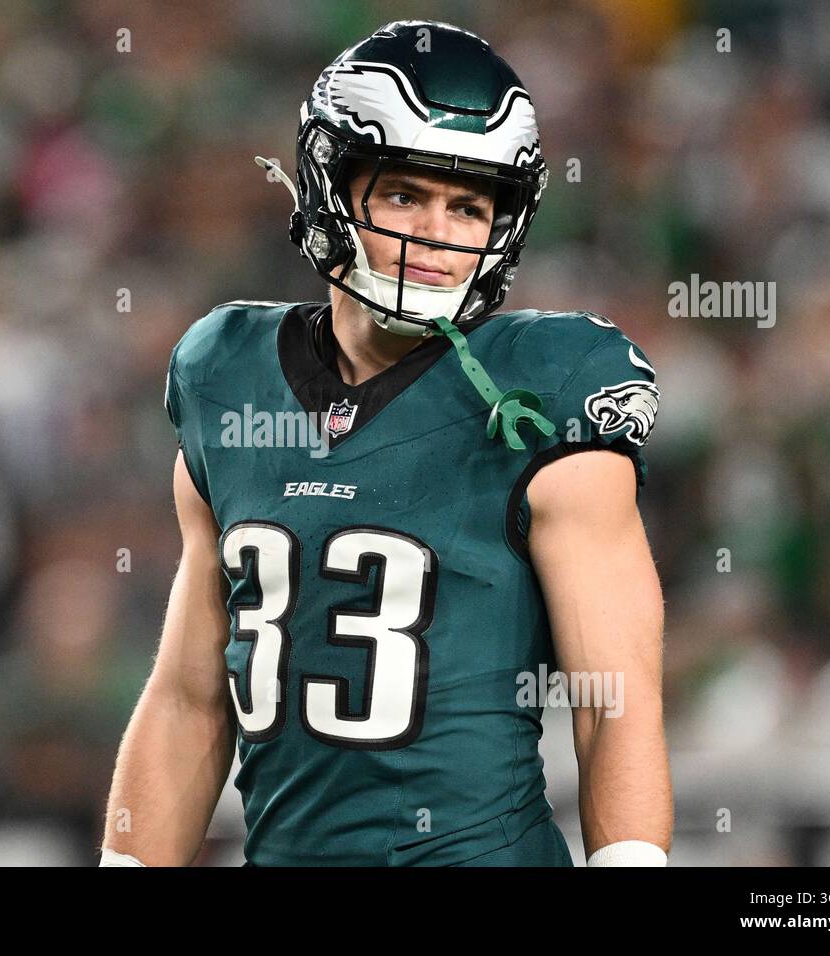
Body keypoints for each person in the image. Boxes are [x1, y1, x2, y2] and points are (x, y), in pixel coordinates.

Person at [101, 19, 671, 867]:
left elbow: (611, 701)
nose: (438, 234)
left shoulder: (548, 389)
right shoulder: (228, 374)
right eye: (405, 194)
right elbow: (190, 698)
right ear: (332, 187)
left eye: (469, 206)